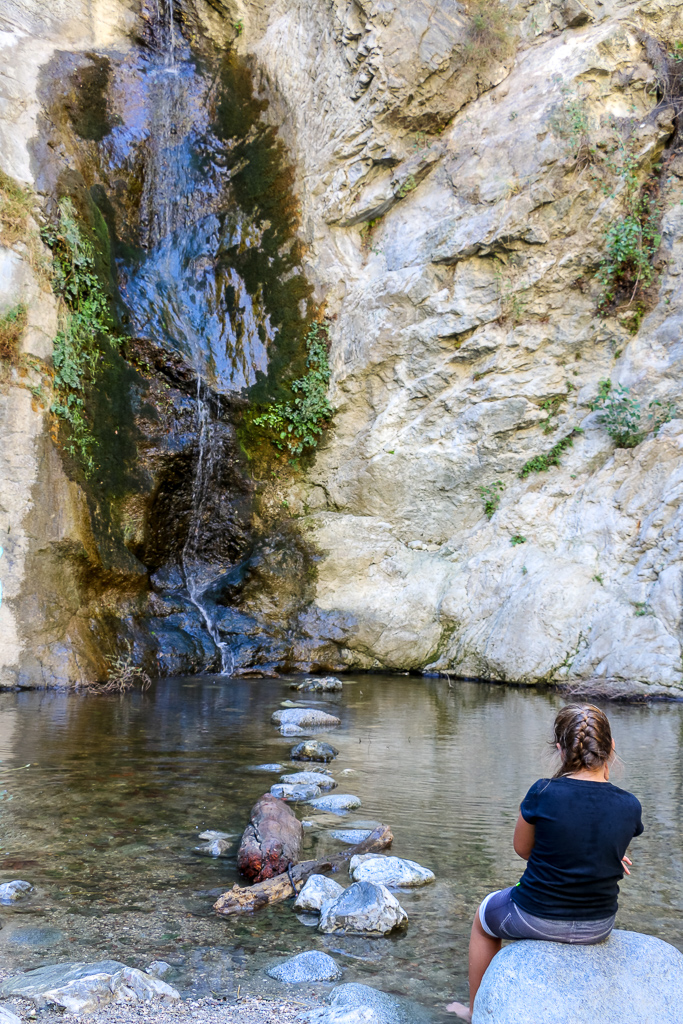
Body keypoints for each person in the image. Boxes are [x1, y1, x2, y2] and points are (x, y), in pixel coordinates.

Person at [447, 703, 644, 1021]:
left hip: (535, 918)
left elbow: (522, 849)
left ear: (560, 750)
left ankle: (475, 1011)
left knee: (483, 919)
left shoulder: (543, 792)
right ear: (612, 748)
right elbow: (602, 839)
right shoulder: (629, 804)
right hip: (598, 926)